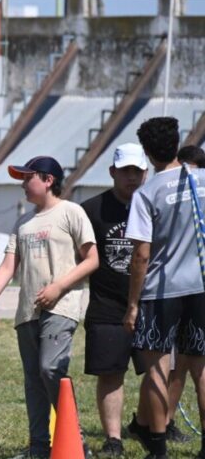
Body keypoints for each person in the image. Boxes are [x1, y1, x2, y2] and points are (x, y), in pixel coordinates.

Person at [0, 156, 99, 459]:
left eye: (27, 178)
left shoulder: (71, 212)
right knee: (34, 380)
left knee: (49, 368)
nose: (22, 184)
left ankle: (75, 441)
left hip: (61, 307)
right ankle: (39, 448)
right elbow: (8, 266)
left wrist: (59, 286)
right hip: (27, 313)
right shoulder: (23, 222)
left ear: (47, 180)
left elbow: (92, 259)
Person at [123, 118, 205, 459]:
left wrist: (131, 304)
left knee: (157, 367)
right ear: (177, 142)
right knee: (201, 368)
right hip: (200, 286)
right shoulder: (202, 180)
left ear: (146, 152)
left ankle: (158, 449)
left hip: (161, 291)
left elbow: (141, 255)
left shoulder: (147, 193)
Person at [79, 144, 148, 456]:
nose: (132, 177)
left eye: (137, 171)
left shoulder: (154, 205)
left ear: (146, 172)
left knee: (164, 371)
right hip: (107, 305)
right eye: (126, 171)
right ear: (112, 172)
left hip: (151, 303)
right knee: (111, 373)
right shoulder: (91, 210)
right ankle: (114, 439)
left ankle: (153, 426)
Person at [162, 144, 205, 440]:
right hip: (193, 289)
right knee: (188, 364)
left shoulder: (172, 196)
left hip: (179, 290)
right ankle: (164, 421)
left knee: (185, 364)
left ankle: (163, 423)